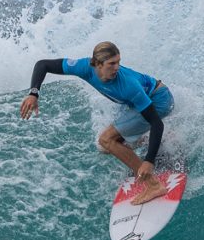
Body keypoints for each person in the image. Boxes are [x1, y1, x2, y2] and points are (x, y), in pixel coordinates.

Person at [19, 41, 175, 205]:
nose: (117, 68)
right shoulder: (84, 67)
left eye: (118, 62)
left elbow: (157, 123)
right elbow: (43, 65)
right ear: (97, 65)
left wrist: (148, 161)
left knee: (107, 140)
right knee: (105, 147)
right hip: (138, 103)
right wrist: (33, 94)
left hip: (159, 100)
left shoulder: (128, 84)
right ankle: (154, 143)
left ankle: (153, 185)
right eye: (112, 64)